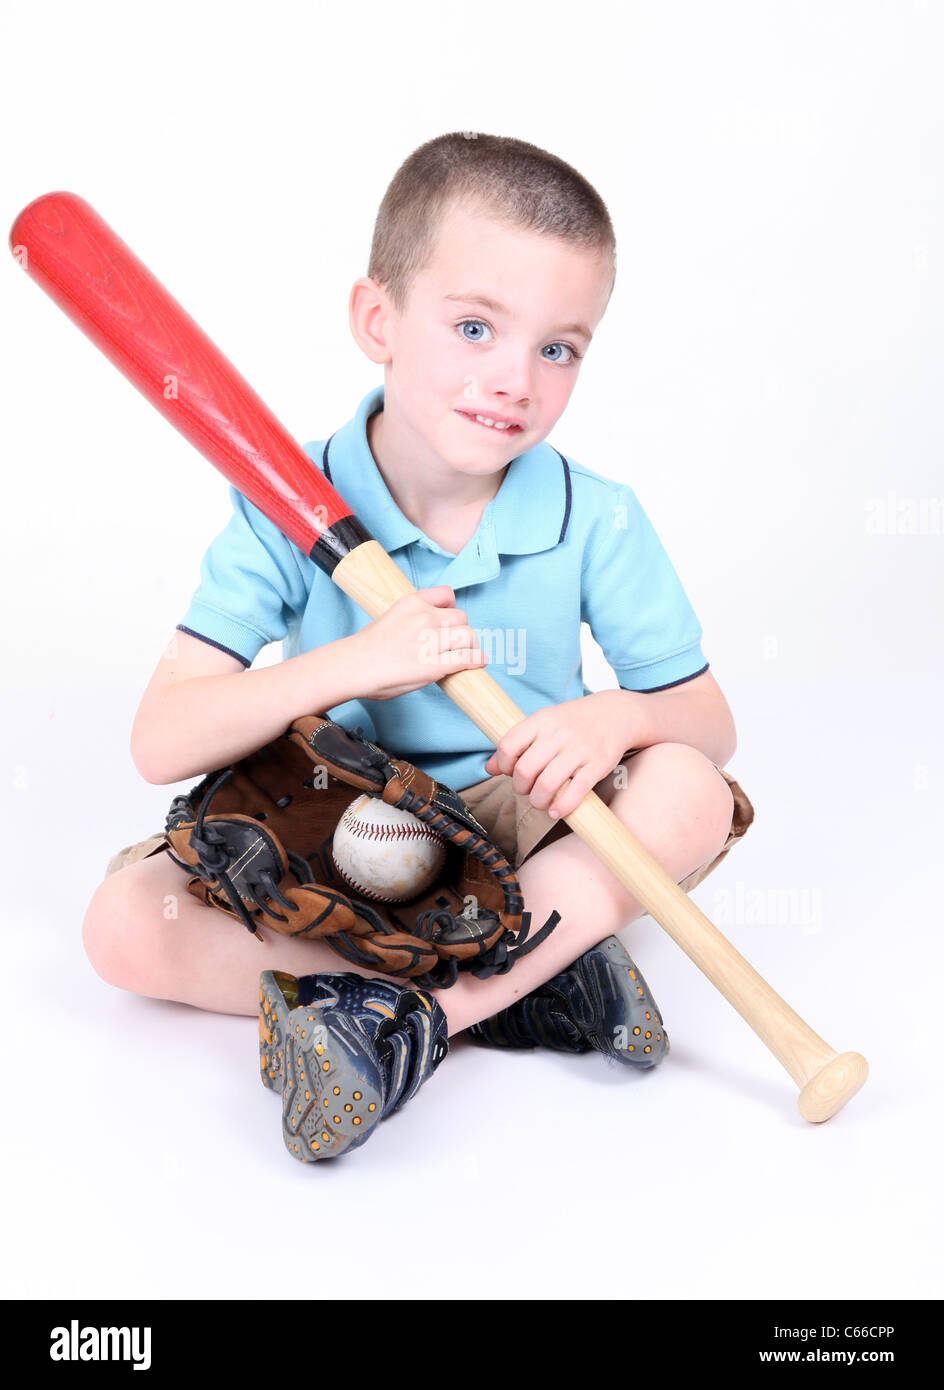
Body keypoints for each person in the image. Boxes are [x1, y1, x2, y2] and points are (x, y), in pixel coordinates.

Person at [83, 131, 754, 1162]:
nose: (514, 381)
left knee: (687, 790)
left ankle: (405, 1024)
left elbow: (706, 724)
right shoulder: (279, 504)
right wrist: (356, 661)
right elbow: (161, 740)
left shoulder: (595, 517)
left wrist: (618, 714)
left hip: (520, 822)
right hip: (332, 823)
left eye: (556, 346)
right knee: (123, 926)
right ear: (378, 320)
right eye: (475, 326)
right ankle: (530, 986)